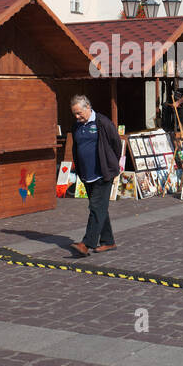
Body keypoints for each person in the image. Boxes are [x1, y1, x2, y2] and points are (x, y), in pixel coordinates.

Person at [68, 95, 124, 256]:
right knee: (100, 208)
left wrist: (110, 164)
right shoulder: (77, 126)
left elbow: (116, 144)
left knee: (95, 207)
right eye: (75, 114)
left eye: (79, 113)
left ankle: (87, 243)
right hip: (86, 174)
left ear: (88, 107)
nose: (77, 117)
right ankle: (108, 241)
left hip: (102, 174)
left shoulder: (102, 123)